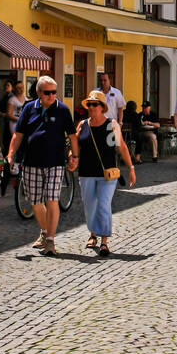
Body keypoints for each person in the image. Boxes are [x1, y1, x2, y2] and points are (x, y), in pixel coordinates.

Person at [7, 75, 77, 257]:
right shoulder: (29, 108)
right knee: (36, 202)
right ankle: (45, 232)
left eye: (54, 92)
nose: (52, 96)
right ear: (39, 93)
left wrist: (74, 155)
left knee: (52, 199)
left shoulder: (62, 109)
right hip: (31, 162)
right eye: (47, 93)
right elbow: (19, 134)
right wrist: (10, 154)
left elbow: (72, 135)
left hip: (55, 162)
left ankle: (51, 240)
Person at [74, 90, 135, 256]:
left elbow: (121, 147)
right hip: (86, 172)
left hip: (106, 173)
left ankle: (104, 242)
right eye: (90, 104)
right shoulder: (82, 125)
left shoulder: (111, 124)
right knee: (90, 205)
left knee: (103, 204)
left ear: (102, 107)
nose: (92, 107)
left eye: (95, 104)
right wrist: (72, 158)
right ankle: (93, 234)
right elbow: (75, 146)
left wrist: (131, 168)